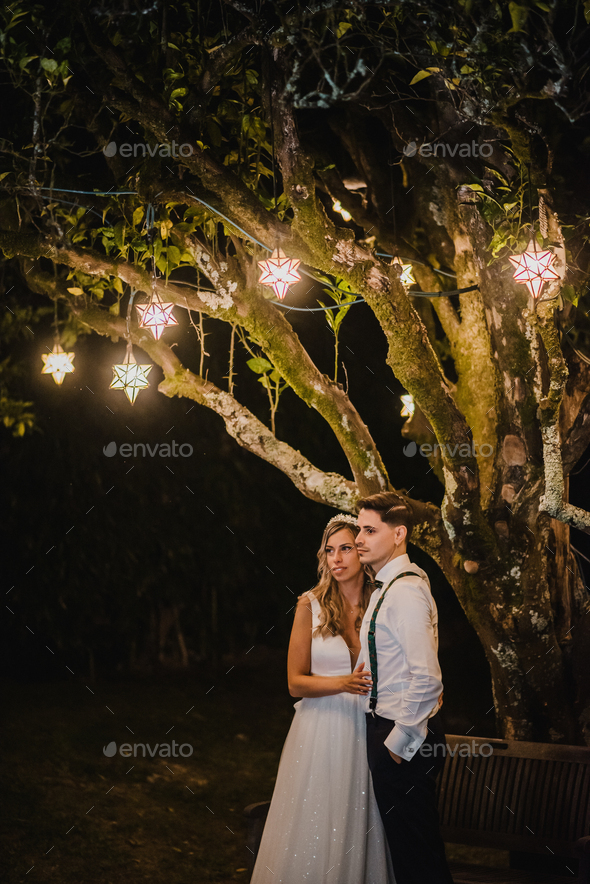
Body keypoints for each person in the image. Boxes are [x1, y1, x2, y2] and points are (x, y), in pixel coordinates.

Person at [250, 514, 395, 883]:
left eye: (345, 548)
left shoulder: (382, 601)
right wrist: (342, 683)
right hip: (320, 728)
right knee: (315, 815)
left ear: (360, 552)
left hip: (369, 726)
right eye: (329, 551)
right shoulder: (310, 605)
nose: (337, 559)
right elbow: (295, 683)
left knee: (364, 816)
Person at [356, 491, 454, 884]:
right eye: (359, 529)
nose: (360, 538)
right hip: (388, 731)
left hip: (405, 739)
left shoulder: (407, 591)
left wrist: (398, 745)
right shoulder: (390, 588)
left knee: (420, 860)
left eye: (368, 530)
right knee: (408, 856)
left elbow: (427, 679)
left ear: (399, 534)